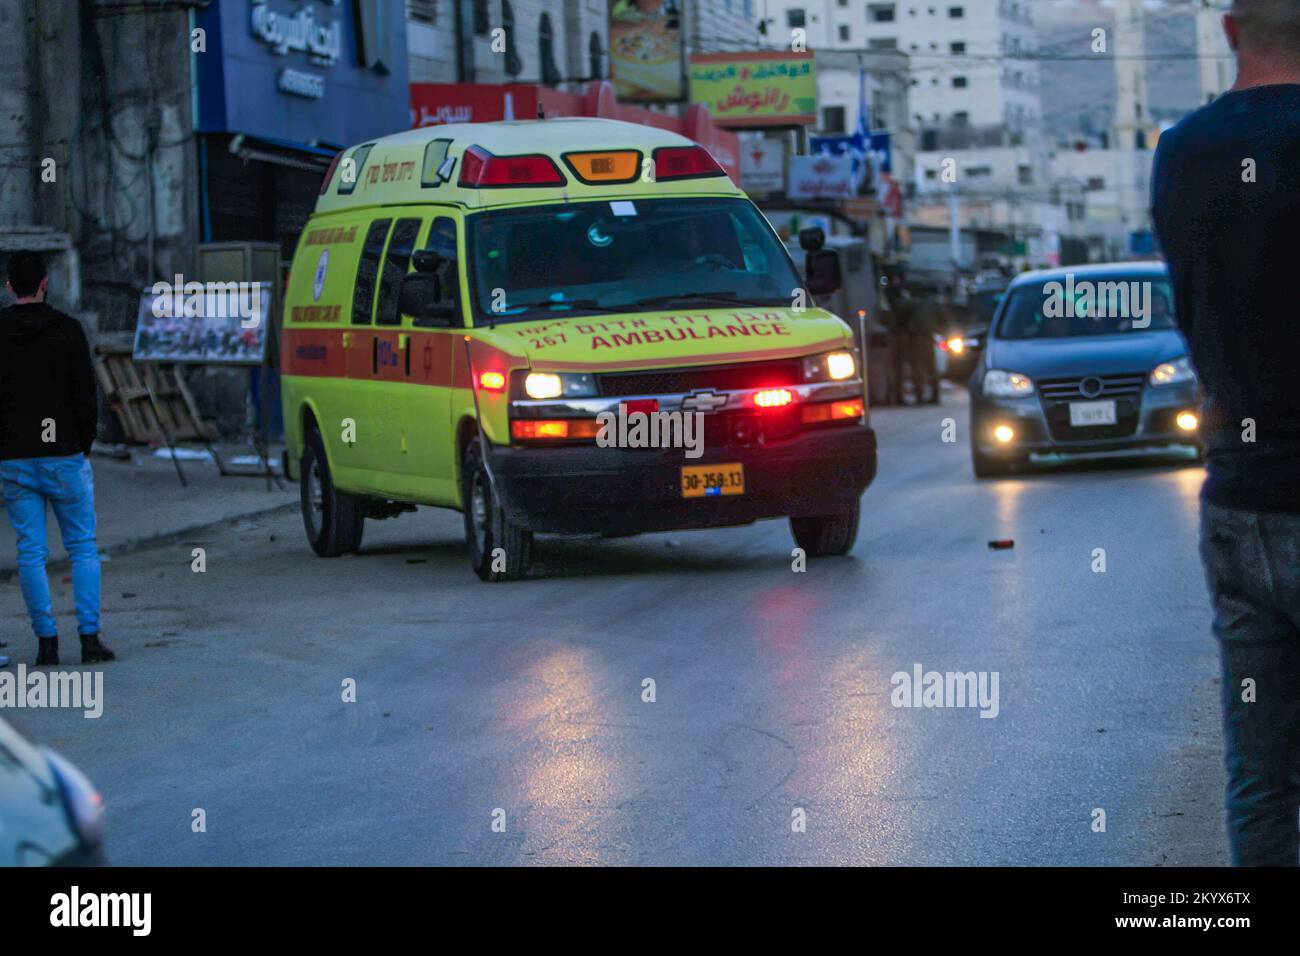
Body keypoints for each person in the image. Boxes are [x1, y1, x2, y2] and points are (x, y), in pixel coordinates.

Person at [1151, 0, 1300, 866]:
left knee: (1260, 774)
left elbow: (1196, 300)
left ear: (1231, 31)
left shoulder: (1183, 153)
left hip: (1240, 497)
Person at [0, 252, 114, 666]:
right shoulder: (68, 330)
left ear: (10, 286)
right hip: (64, 454)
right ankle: (89, 639)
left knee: (30, 552)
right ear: (45, 284)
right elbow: (86, 394)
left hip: (14, 457)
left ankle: (47, 643)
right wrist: (82, 444)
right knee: (82, 546)